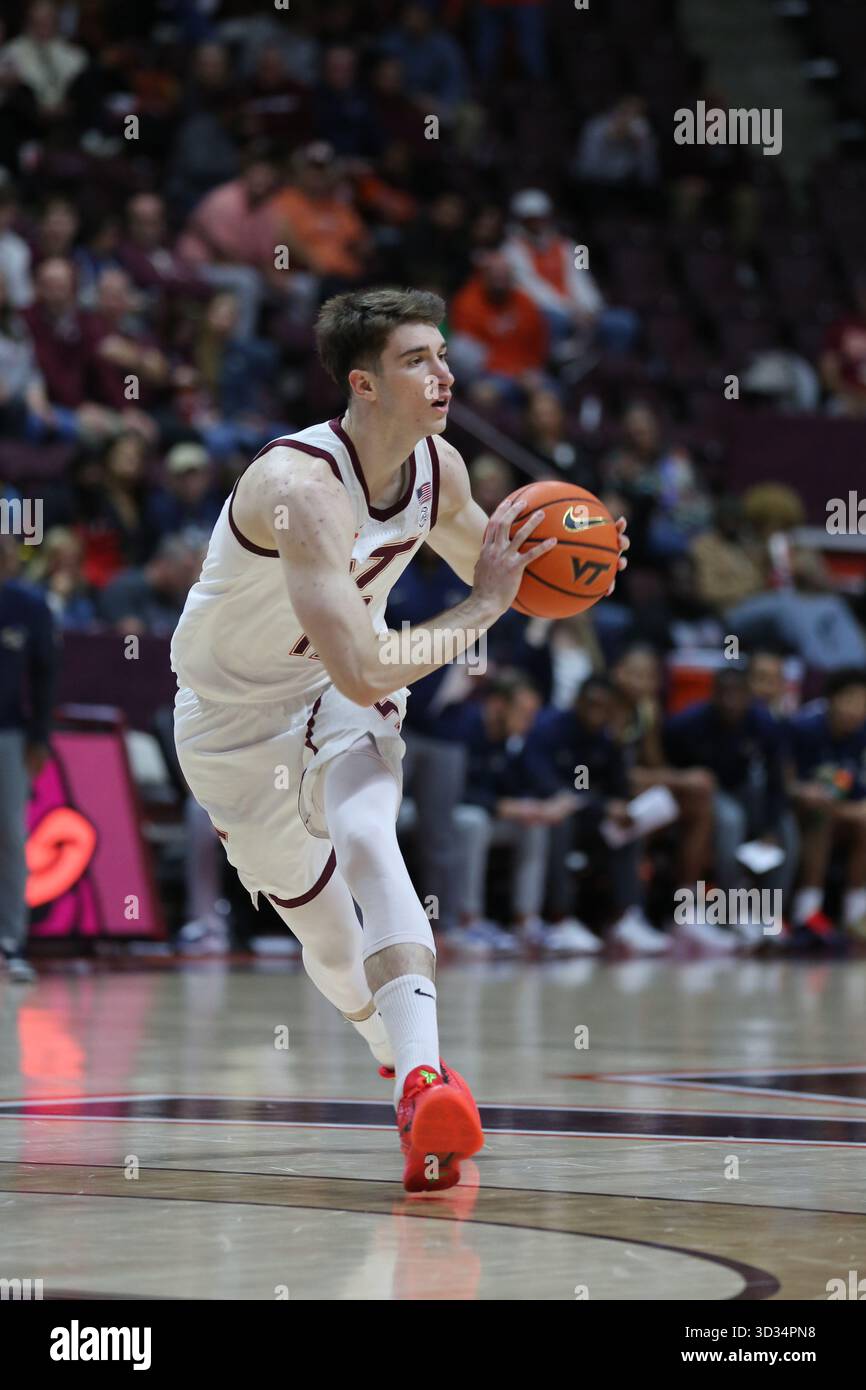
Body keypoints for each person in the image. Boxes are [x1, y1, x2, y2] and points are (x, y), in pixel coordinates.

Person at [170, 285, 630, 1192]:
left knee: (372, 834)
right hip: (234, 725)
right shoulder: (299, 488)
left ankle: (426, 1079)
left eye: (444, 354)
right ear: (364, 384)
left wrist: (573, 560)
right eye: (417, 359)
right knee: (334, 953)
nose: (443, 373)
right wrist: (489, 605)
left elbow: (493, 568)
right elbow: (373, 664)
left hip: (341, 695)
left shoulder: (439, 469)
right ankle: (389, 1046)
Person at [0, 533, 56, 982]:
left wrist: (40, 737)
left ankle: (11, 942)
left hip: (8, 735)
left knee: (10, 836)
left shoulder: (29, 607)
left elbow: (44, 678)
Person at [789, 668, 866, 946]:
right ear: (830, 699)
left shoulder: (861, 736)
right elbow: (783, 784)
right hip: (795, 814)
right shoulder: (802, 728)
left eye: (863, 703)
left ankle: (856, 915)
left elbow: (855, 791)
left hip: (839, 814)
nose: (857, 709)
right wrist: (800, 791)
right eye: (851, 700)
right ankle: (806, 912)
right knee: (821, 813)